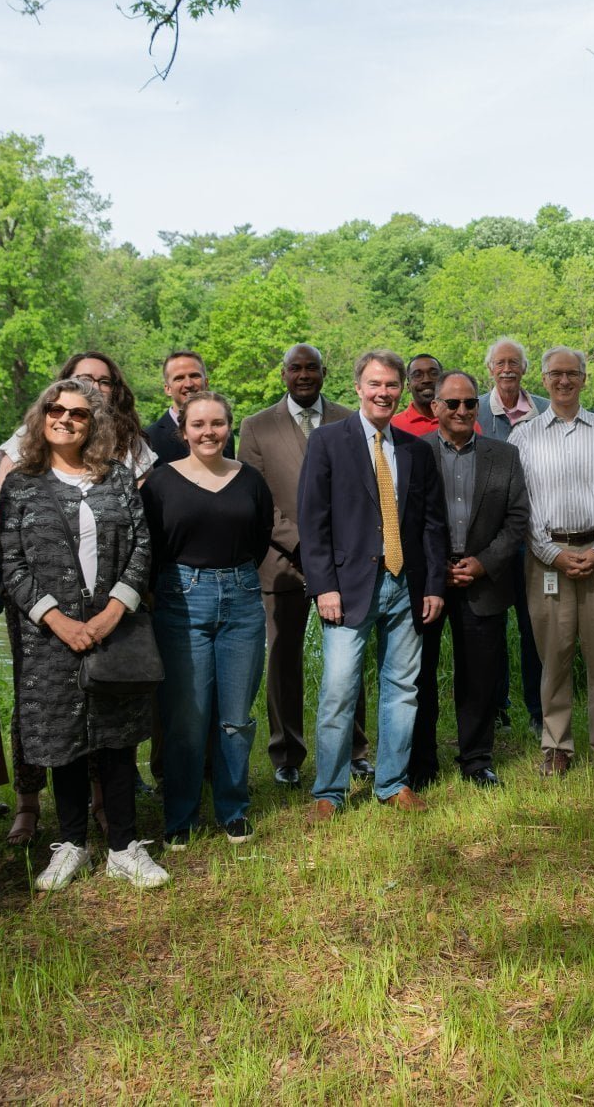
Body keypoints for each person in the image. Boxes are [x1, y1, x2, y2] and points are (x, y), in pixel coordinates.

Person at [0, 379, 167, 890]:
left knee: (115, 737)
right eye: (56, 409)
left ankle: (123, 846)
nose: (66, 419)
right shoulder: (22, 483)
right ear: (41, 416)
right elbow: (11, 563)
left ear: (94, 423)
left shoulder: (115, 478)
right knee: (63, 740)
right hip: (50, 636)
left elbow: (141, 547)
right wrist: (57, 620)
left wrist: (115, 611)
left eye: (78, 413)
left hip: (113, 628)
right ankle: (70, 843)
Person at [298, 350, 448, 818]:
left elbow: (431, 525)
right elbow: (312, 520)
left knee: (402, 689)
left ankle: (392, 782)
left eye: (392, 385)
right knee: (340, 690)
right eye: (375, 384)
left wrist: (435, 585)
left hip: (407, 585)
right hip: (346, 588)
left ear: (400, 389)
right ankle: (329, 791)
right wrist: (323, 586)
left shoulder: (415, 450)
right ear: (359, 388)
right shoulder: (328, 442)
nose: (384, 393)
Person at [143, 390, 275, 845]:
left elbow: (260, 540)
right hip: (182, 600)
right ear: (183, 431)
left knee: (235, 716)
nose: (208, 432)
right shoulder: (160, 483)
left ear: (229, 427)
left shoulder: (250, 479)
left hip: (242, 598)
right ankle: (180, 816)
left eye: (217, 423)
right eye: (198, 424)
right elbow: (153, 549)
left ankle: (232, 808)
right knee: (186, 717)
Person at [236, 344, 363, 788]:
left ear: (324, 372)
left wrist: (335, 547)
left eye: (312, 368)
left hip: (347, 561)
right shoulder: (255, 427)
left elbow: (359, 490)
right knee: (282, 661)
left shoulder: (349, 419)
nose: (304, 375)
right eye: (296, 368)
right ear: (283, 373)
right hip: (281, 562)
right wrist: (308, 544)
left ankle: (356, 748)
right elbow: (258, 501)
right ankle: (286, 752)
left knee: (348, 656)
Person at [510, 347, 594, 777]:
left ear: (584, 378)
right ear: (543, 380)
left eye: (572, 374)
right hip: (546, 562)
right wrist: (553, 554)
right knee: (554, 656)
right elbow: (519, 507)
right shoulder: (523, 436)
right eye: (555, 374)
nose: (564, 381)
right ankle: (557, 745)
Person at [409, 371, 530, 789]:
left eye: (469, 404)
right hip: (429, 581)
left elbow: (517, 519)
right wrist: (434, 562)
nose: (462, 410)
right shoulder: (413, 453)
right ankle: (421, 764)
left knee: (480, 678)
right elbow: (407, 520)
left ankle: (477, 760)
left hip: (484, 579)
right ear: (436, 407)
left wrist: (483, 562)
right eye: (453, 403)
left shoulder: (504, 455)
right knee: (419, 675)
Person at [480, 336, 549, 734]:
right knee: (489, 625)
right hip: (488, 537)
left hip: (532, 536)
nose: (507, 368)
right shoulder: (475, 411)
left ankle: (538, 711)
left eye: (514, 362)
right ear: (490, 368)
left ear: (524, 369)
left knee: (532, 625)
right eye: (500, 362)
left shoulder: (541, 409)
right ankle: (497, 705)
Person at [145, 350, 209, 463]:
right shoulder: (148, 439)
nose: (188, 384)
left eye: (194, 376)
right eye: (179, 378)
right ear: (168, 389)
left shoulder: (223, 434)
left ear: (206, 383)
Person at [393, 354, 445, 436]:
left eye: (434, 373)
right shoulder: (393, 426)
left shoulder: (461, 421)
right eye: (417, 375)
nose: (426, 380)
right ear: (408, 386)